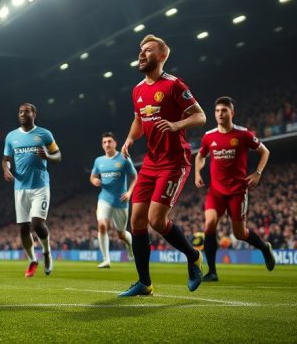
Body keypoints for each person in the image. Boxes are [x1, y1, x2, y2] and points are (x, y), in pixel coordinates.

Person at [119, 34, 206, 297]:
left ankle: (193, 256)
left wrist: (176, 124)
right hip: (151, 162)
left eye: (148, 50)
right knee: (136, 221)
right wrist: (129, 139)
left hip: (174, 161)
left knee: (157, 220)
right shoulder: (137, 90)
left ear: (163, 56)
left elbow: (201, 116)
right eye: (140, 50)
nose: (142, 54)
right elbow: (138, 120)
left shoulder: (174, 85)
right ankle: (144, 283)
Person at [195, 96, 275, 281]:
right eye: (217, 111)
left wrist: (258, 173)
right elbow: (200, 156)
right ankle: (212, 272)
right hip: (215, 192)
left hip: (237, 192)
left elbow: (265, 151)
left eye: (224, 110)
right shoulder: (209, 136)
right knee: (209, 224)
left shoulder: (244, 134)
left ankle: (264, 247)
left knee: (239, 234)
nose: (220, 114)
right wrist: (198, 173)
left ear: (232, 112)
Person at [2, 103, 61, 277]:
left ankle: (47, 252)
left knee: (37, 223)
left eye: (26, 112)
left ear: (33, 114)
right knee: (23, 228)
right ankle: (32, 260)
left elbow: (58, 155)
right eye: (20, 112)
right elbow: (5, 159)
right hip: (20, 188)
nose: (22, 114)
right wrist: (6, 169)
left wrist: (48, 156)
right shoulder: (11, 136)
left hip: (40, 186)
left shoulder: (44, 134)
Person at [90, 132, 136, 268]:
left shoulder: (124, 157)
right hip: (104, 198)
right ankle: (106, 260)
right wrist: (95, 181)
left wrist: (129, 192)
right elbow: (92, 176)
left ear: (115, 143)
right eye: (104, 142)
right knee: (102, 225)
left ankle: (130, 247)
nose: (107, 144)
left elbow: (135, 177)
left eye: (109, 141)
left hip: (121, 200)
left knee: (121, 234)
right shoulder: (99, 161)